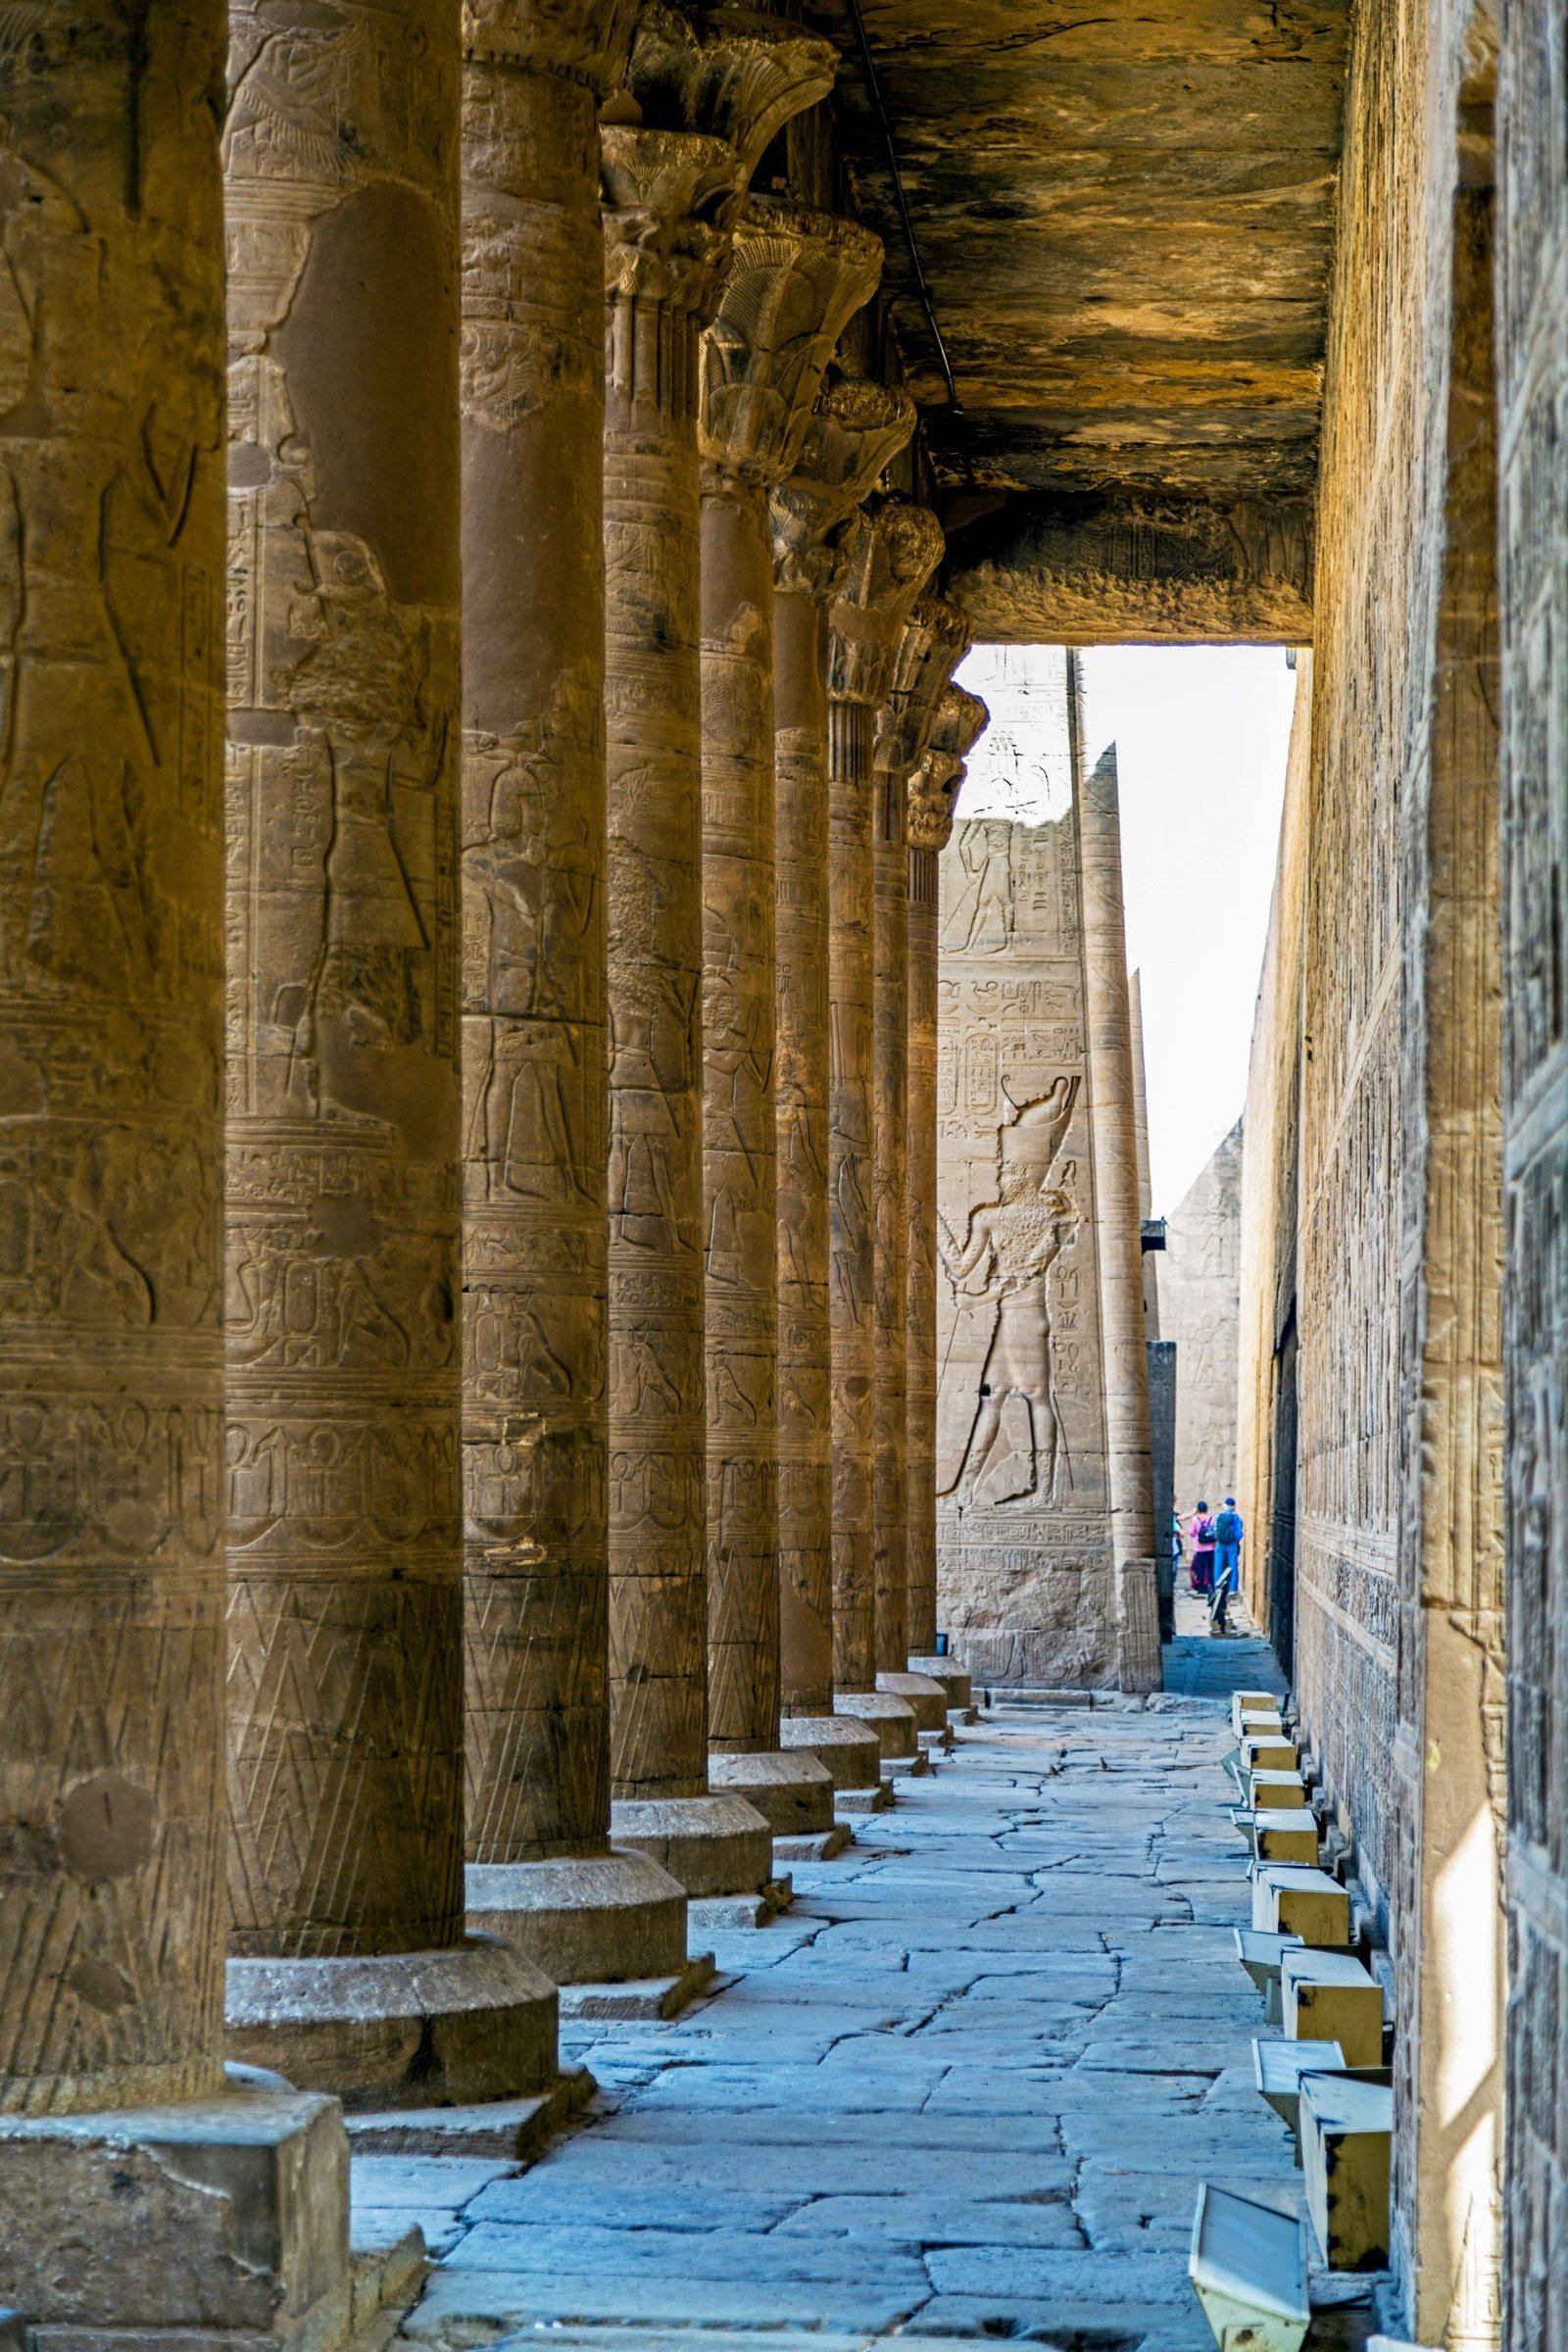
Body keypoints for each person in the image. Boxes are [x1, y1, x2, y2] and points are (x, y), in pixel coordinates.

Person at [1209, 1495, 1245, 1632]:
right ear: (1234, 1506)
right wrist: (1234, 1540)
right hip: (1231, 1545)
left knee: (1218, 1566)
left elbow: (1214, 1530)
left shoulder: (1218, 1516)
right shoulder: (1236, 1518)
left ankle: (1217, 1585)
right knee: (1233, 1567)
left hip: (1220, 1544)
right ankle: (1232, 1588)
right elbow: (1239, 1534)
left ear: (1224, 1505)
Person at [1188, 1500, 1215, 1595]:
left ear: (1198, 1509)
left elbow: (1191, 1533)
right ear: (1206, 1509)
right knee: (1211, 1568)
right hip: (1211, 1547)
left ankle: (1201, 1589)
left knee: (1200, 1568)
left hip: (1199, 1548)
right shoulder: (1212, 1518)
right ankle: (1211, 1587)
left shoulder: (1195, 1519)